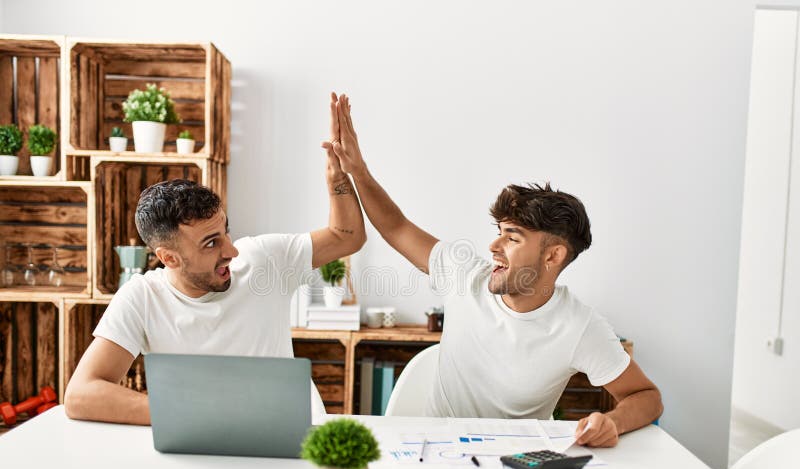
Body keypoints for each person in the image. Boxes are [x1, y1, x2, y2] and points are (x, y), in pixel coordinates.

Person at [328, 94, 662, 447]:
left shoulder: (579, 327)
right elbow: (395, 226)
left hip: (514, 466)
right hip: (436, 454)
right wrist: (358, 171)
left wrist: (611, 422)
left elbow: (647, 396)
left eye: (512, 238)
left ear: (553, 256)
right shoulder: (464, 275)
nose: (493, 247)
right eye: (498, 233)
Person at [64, 94, 365, 425]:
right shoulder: (142, 297)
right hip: (200, 443)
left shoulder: (264, 259)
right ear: (169, 258)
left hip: (283, 432)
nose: (231, 251)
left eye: (225, 231)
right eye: (210, 243)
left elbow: (348, 235)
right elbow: (81, 395)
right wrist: (194, 412)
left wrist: (338, 178)